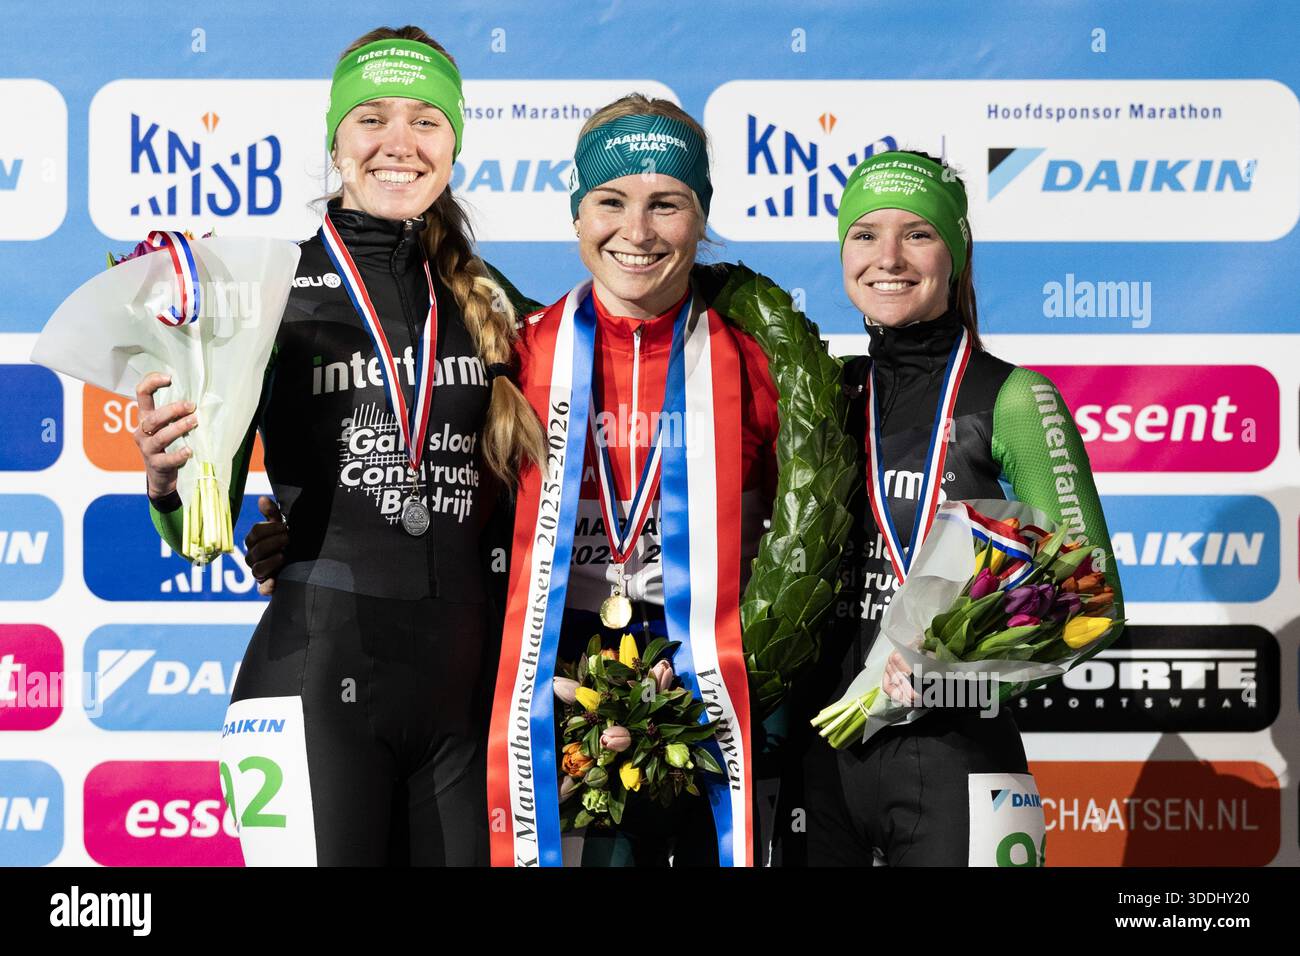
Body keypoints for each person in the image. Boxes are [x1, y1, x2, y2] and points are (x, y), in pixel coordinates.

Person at [132, 25, 543, 866]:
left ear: (455, 143)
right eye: (373, 120)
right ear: (335, 140)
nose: (399, 144)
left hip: (468, 704)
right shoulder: (263, 290)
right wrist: (169, 480)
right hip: (313, 683)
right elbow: (196, 526)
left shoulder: (495, 302)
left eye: (426, 121)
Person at [775, 150, 1124, 866]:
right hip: (821, 760)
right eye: (865, 233)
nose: (889, 257)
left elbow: (1093, 598)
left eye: (919, 234)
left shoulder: (1015, 398)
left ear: (955, 253)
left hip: (957, 757)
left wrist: (944, 677)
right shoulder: (826, 395)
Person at [486, 95, 781, 867]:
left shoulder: (752, 365)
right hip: (552, 682)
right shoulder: (519, 358)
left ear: (702, 216)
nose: (638, 231)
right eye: (611, 201)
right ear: (578, 215)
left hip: (707, 673)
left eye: (667, 205)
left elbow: (806, 533)